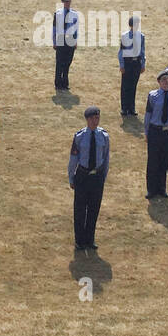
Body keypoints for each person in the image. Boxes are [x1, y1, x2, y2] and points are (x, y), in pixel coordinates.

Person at [69, 106, 109, 251]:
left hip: (96, 176)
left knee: (94, 208)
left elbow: (105, 157)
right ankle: (79, 240)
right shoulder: (79, 137)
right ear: (87, 120)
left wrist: (103, 176)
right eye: (92, 118)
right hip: (83, 175)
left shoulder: (104, 136)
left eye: (97, 118)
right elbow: (73, 158)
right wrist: (71, 177)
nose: (95, 121)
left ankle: (90, 239)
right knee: (80, 209)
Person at [144, 73, 168, 199]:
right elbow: (148, 114)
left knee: (164, 161)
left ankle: (162, 188)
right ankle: (151, 189)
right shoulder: (153, 95)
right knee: (153, 160)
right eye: (164, 80)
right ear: (159, 82)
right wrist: (147, 132)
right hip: (155, 130)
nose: (166, 82)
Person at [118, 16, 145, 116]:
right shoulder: (125, 36)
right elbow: (121, 52)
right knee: (125, 86)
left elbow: (142, 51)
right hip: (128, 62)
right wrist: (122, 65)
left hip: (136, 63)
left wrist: (143, 64)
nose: (136, 26)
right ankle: (124, 108)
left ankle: (132, 108)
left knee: (133, 86)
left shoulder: (141, 36)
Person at [52, 0, 80, 90]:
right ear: (63, 2)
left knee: (68, 62)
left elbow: (76, 29)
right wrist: (54, 41)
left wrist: (75, 41)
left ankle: (65, 83)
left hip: (70, 39)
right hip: (60, 39)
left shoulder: (75, 14)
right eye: (66, 2)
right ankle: (58, 84)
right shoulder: (58, 14)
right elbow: (54, 29)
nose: (68, 3)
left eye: (69, 2)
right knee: (59, 62)